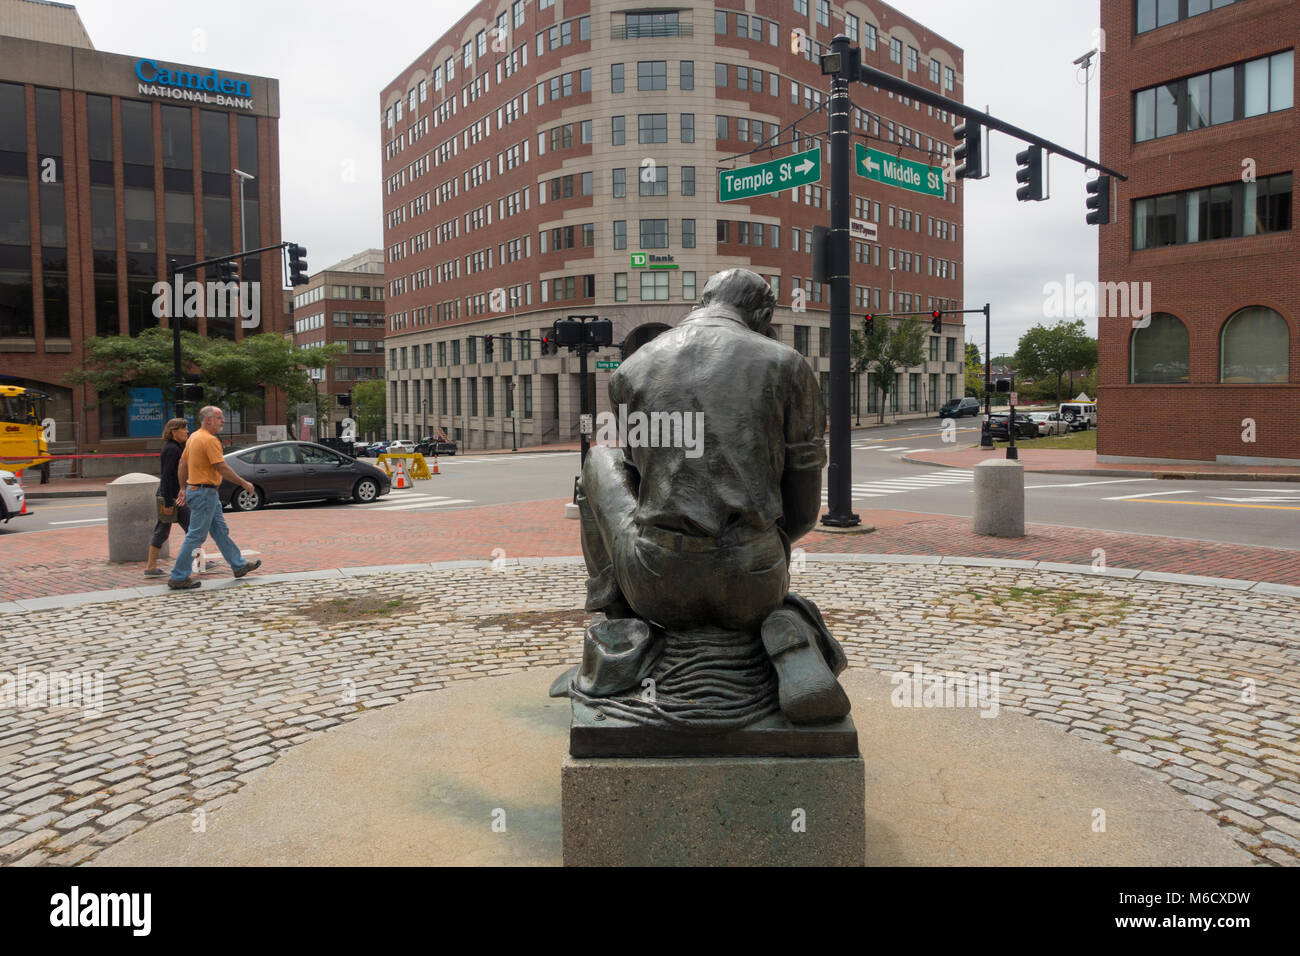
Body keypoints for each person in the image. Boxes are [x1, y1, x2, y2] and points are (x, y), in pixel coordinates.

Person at [564, 268, 849, 724]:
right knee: (754, 555)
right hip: (754, 581)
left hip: (657, 582)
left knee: (599, 461)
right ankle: (784, 631)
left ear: (703, 300)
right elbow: (802, 514)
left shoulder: (630, 370)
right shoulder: (786, 364)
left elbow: (640, 486)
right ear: (762, 315)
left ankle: (619, 621)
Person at [167, 405, 262, 590]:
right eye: (219, 417)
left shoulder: (194, 437)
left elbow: (182, 464)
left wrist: (183, 487)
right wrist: (244, 483)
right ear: (208, 419)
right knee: (195, 536)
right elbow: (221, 467)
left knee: (219, 531)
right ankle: (178, 576)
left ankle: (239, 565)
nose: (223, 421)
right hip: (204, 493)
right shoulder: (209, 440)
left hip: (202, 492)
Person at [144, 418, 191, 576]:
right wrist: (168, 501)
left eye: (186, 428)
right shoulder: (172, 449)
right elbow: (166, 476)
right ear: (173, 431)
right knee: (192, 530)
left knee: (167, 530)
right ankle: (199, 562)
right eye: (183, 429)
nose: (187, 431)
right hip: (173, 497)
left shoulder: (175, 447)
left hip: (173, 496)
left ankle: (151, 567)